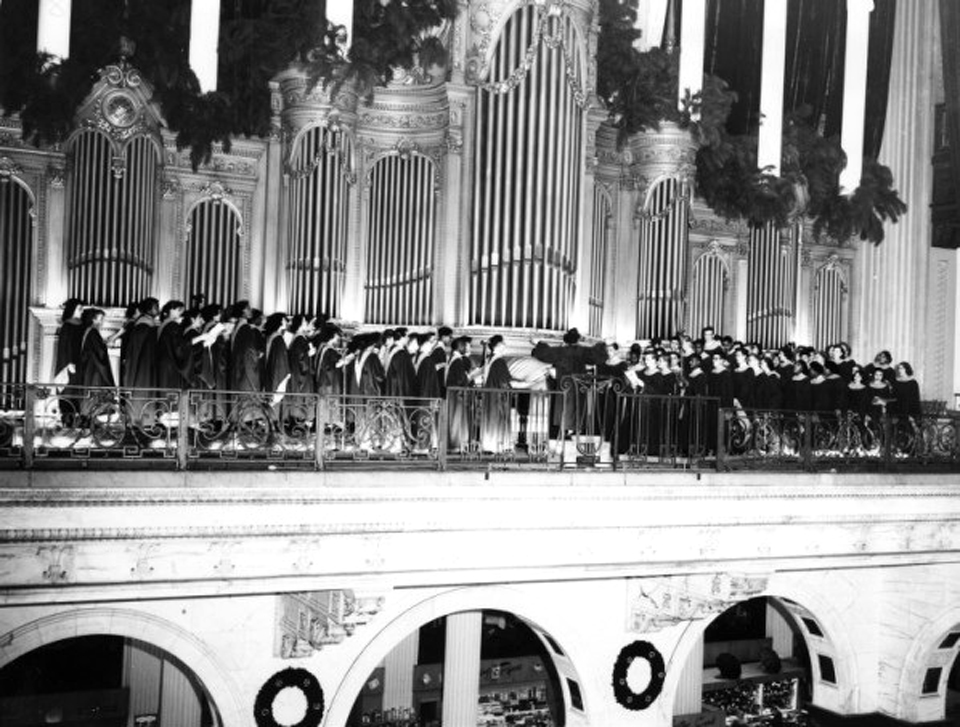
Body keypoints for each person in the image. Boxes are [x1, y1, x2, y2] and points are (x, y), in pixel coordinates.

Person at [531, 327, 606, 438]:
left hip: (564, 384)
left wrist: (539, 343)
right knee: (577, 408)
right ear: (578, 340)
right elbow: (598, 356)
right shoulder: (583, 351)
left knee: (564, 407)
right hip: (578, 385)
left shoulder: (561, 351)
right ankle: (576, 430)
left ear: (565, 340)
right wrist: (602, 343)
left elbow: (545, 353)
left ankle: (564, 431)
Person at [79, 308, 115, 422]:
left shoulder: (88, 331)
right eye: (101, 318)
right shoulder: (93, 332)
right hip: (94, 370)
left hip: (90, 368)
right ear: (93, 319)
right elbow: (100, 353)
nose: (102, 321)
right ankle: (92, 420)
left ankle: (89, 418)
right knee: (95, 395)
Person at [54, 298, 85, 426]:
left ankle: (78, 421)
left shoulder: (82, 326)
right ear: (72, 310)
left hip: (80, 364)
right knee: (68, 392)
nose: (82, 311)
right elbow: (63, 347)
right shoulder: (67, 326)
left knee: (78, 393)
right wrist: (68, 363)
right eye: (79, 308)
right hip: (69, 365)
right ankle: (67, 421)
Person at [481, 335, 513, 453]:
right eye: (503, 344)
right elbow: (504, 381)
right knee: (499, 418)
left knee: (490, 419)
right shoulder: (499, 361)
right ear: (498, 346)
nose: (505, 346)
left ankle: (489, 445)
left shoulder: (489, 359)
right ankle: (500, 445)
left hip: (490, 395)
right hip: (498, 396)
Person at [157, 301, 193, 391]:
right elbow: (179, 348)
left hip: (163, 362)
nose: (181, 313)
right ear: (171, 310)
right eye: (179, 310)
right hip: (171, 365)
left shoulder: (164, 323)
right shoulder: (173, 326)